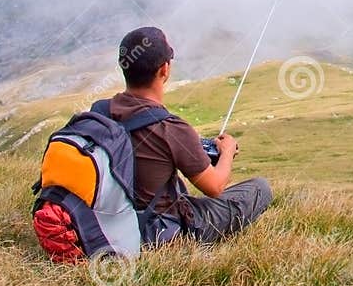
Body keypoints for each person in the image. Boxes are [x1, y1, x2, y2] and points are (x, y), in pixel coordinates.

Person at [104, 26, 272, 244]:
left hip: (110, 220)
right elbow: (215, 187)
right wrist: (227, 152)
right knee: (260, 189)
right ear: (164, 70)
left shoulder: (100, 112)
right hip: (158, 231)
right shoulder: (170, 128)